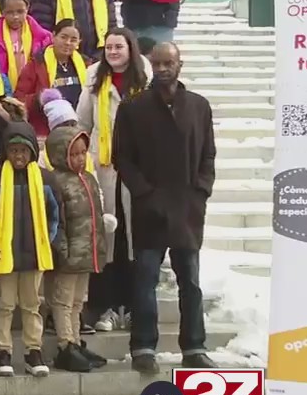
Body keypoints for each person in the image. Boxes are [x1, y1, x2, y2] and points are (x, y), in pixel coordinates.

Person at [114, 42, 216, 374]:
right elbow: (123, 158)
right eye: (156, 63)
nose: (161, 69)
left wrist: (201, 190)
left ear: (179, 64)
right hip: (150, 208)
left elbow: (208, 155)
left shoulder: (199, 106)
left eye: (167, 62)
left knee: (191, 281)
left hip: (188, 207)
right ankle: (143, 346)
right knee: (145, 279)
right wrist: (144, 193)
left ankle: (194, 346)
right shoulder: (133, 108)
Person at [76, 29, 149, 332]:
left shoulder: (145, 75)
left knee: (134, 240)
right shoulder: (95, 77)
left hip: (136, 166)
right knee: (107, 239)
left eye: (119, 46)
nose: (113, 51)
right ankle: (103, 307)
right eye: (109, 47)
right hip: (102, 165)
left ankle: (133, 307)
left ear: (130, 49)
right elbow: (83, 121)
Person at [0, 121, 60, 378]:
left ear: (32, 154)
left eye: (23, 151)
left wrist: (46, 239)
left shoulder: (46, 179)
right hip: (5, 253)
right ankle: (1, 351)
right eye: (13, 150)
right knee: (5, 305)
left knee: (31, 305)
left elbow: (54, 214)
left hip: (34, 253)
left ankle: (33, 351)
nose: (18, 156)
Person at [43, 123, 111, 373]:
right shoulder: (57, 181)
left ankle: (76, 342)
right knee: (62, 301)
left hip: (86, 254)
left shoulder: (89, 179)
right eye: (73, 153)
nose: (79, 158)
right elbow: (56, 221)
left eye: (82, 152)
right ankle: (65, 345)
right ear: (60, 154)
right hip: (67, 255)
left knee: (77, 301)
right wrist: (61, 251)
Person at [14, 19, 86, 137]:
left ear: (79, 42)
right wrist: (40, 98)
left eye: (73, 40)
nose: (68, 42)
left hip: (78, 129)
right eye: (63, 37)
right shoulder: (36, 64)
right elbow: (19, 100)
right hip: (45, 131)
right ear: (53, 36)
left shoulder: (86, 64)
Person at [0, 0, 48, 90]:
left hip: (32, 90)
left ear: (27, 9)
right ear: (2, 12)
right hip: (1, 89)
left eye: (20, 12)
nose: (15, 17)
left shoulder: (44, 37)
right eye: (10, 12)